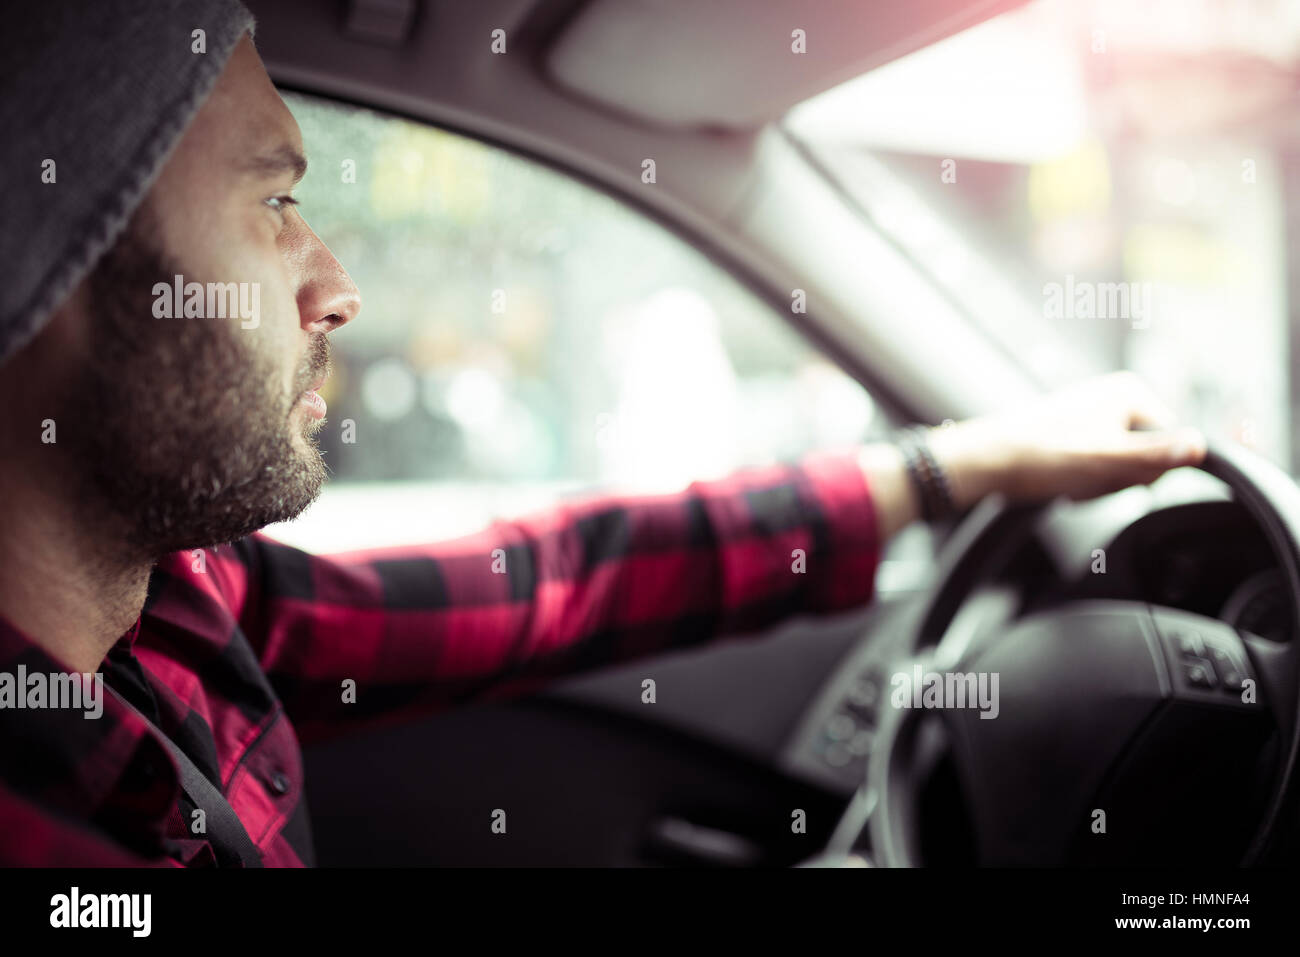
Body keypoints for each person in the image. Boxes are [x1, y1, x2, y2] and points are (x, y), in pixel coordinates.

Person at [0, 1, 1206, 866]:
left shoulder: (176, 607)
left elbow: (544, 584)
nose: (335, 284)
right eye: (272, 203)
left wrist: (953, 468)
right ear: (43, 273)